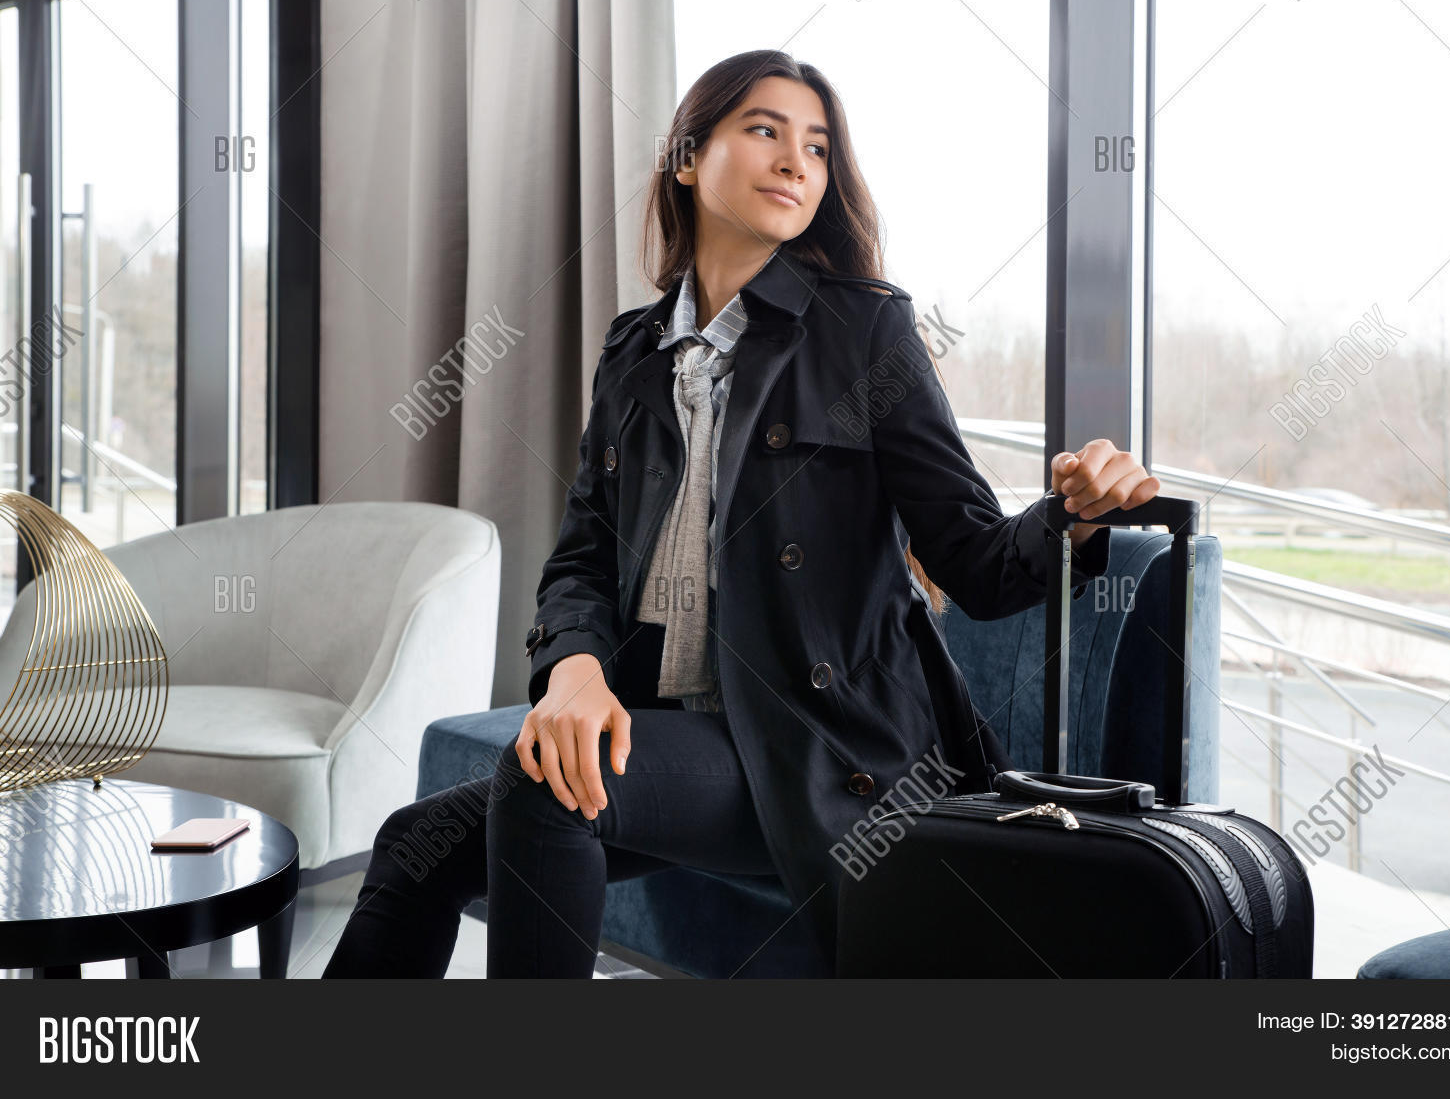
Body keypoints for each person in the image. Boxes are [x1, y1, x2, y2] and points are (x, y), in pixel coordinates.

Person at [323, 49, 1159, 979]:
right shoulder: (633, 352)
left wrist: (1076, 513)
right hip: (676, 730)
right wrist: (573, 671)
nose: (796, 160)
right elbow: (583, 560)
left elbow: (977, 562)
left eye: (818, 146)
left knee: (545, 787)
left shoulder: (866, 330)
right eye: (765, 130)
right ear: (687, 157)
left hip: (824, 744)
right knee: (412, 846)